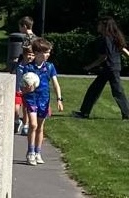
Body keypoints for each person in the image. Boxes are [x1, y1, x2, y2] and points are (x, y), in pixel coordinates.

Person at [73, 16, 129, 120]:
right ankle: (84, 112)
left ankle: (84, 112)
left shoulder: (106, 39)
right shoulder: (115, 37)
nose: (97, 26)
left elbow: (104, 57)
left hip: (109, 68)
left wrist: (89, 66)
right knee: (112, 90)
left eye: (99, 24)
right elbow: (124, 50)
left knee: (110, 91)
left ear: (104, 26)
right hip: (114, 67)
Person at [22, 38, 64, 166]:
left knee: (40, 127)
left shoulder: (49, 67)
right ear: (37, 53)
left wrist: (59, 99)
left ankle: (37, 152)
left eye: (49, 52)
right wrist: (27, 89)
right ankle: (30, 152)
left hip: (44, 99)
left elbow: (56, 84)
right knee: (33, 125)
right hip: (31, 98)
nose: (48, 55)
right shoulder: (28, 67)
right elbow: (22, 88)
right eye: (46, 52)